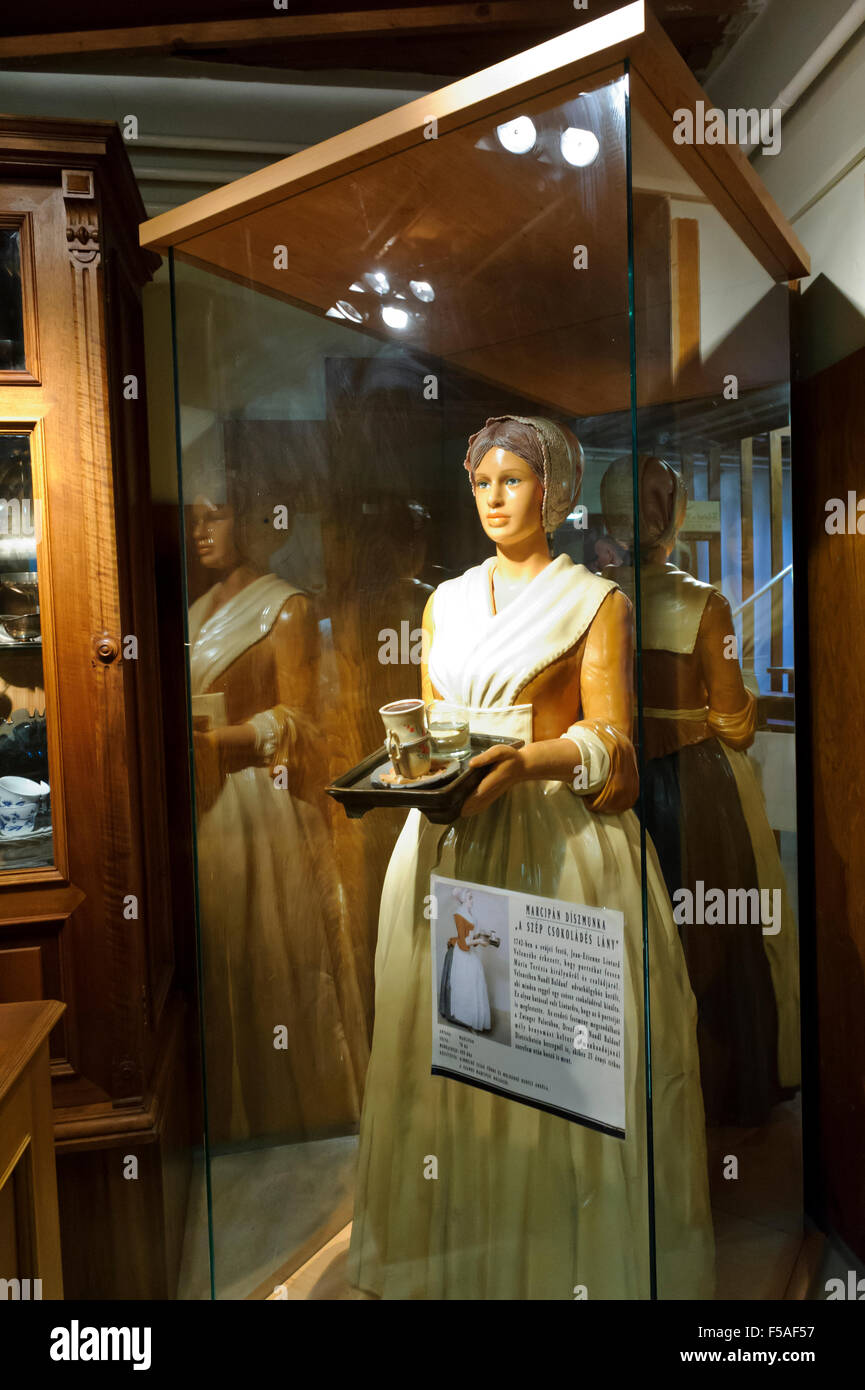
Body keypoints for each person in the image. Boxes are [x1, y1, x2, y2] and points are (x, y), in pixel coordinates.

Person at [347, 416, 713, 1300]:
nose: (495, 500)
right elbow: (432, 724)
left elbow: (616, 749)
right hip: (451, 835)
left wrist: (530, 761)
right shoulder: (445, 601)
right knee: (452, 1040)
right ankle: (458, 1255)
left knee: (548, 1054)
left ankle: (560, 1266)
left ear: (552, 492)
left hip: (551, 839)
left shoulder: (596, 601)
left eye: (512, 482)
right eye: (481, 484)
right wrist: (415, 770)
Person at [600, 455, 800, 1125]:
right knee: (716, 933)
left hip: (614, 784)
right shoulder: (703, 603)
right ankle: (720, 1090)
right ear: (676, 515)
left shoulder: (591, 597)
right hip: (696, 788)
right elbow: (732, 720)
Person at [188, 483, 368, 1144]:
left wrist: (225, 742)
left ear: (255, 520)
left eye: (217, 516)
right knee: (231, 953)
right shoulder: (196, 610)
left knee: (280, 951)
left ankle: (301, 1108)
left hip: (264, 797)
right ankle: (242, 1113)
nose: (202, 531)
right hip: (210, 804)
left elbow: (305, 721)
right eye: (194, 519)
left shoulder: (286, 609)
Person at [440, 888, 491, 1032]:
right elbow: (463, 943)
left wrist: (481, 940)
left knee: (476, 979)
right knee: (465, 984)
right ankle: (465, 1019)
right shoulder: (459, 915)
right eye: (470, 898)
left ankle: (474, 1020)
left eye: (472, 897)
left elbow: (471, 940)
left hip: (470, 952)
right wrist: (479, 941)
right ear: (463, 900)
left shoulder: (471, 915)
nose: (472, 900)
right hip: (461, 954)